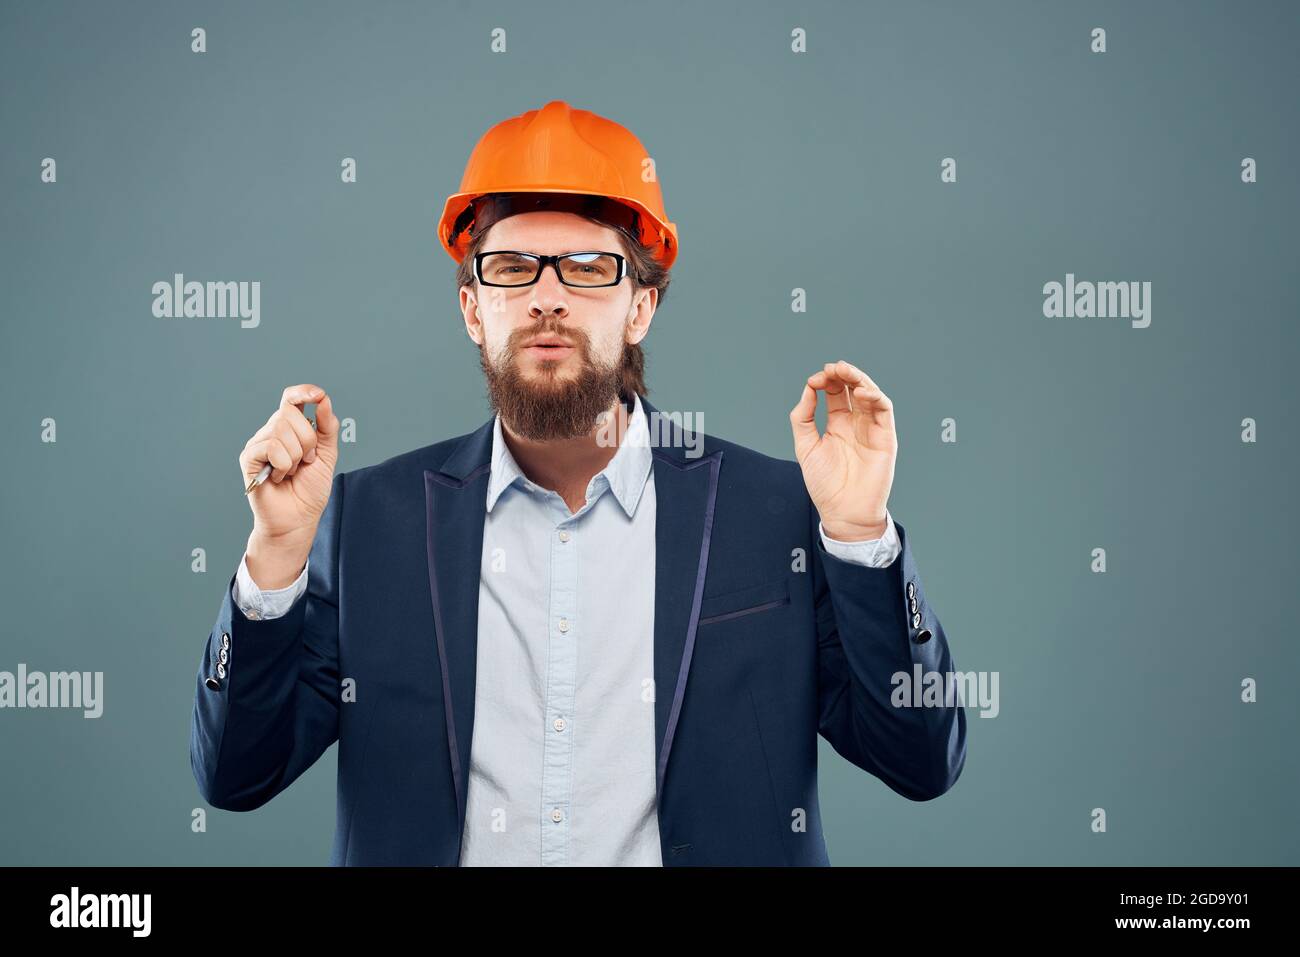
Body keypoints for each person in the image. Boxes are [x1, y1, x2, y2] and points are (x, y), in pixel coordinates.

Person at [190, 100, 966, 866]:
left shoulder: (776, 513)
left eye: (590, 267)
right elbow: (236, 775)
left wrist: (861, 536)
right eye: (512, 267)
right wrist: (276, 559)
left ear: (641, 307)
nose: (548, 295)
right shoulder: (366, 522)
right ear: (472, 308)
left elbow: (921, 761)